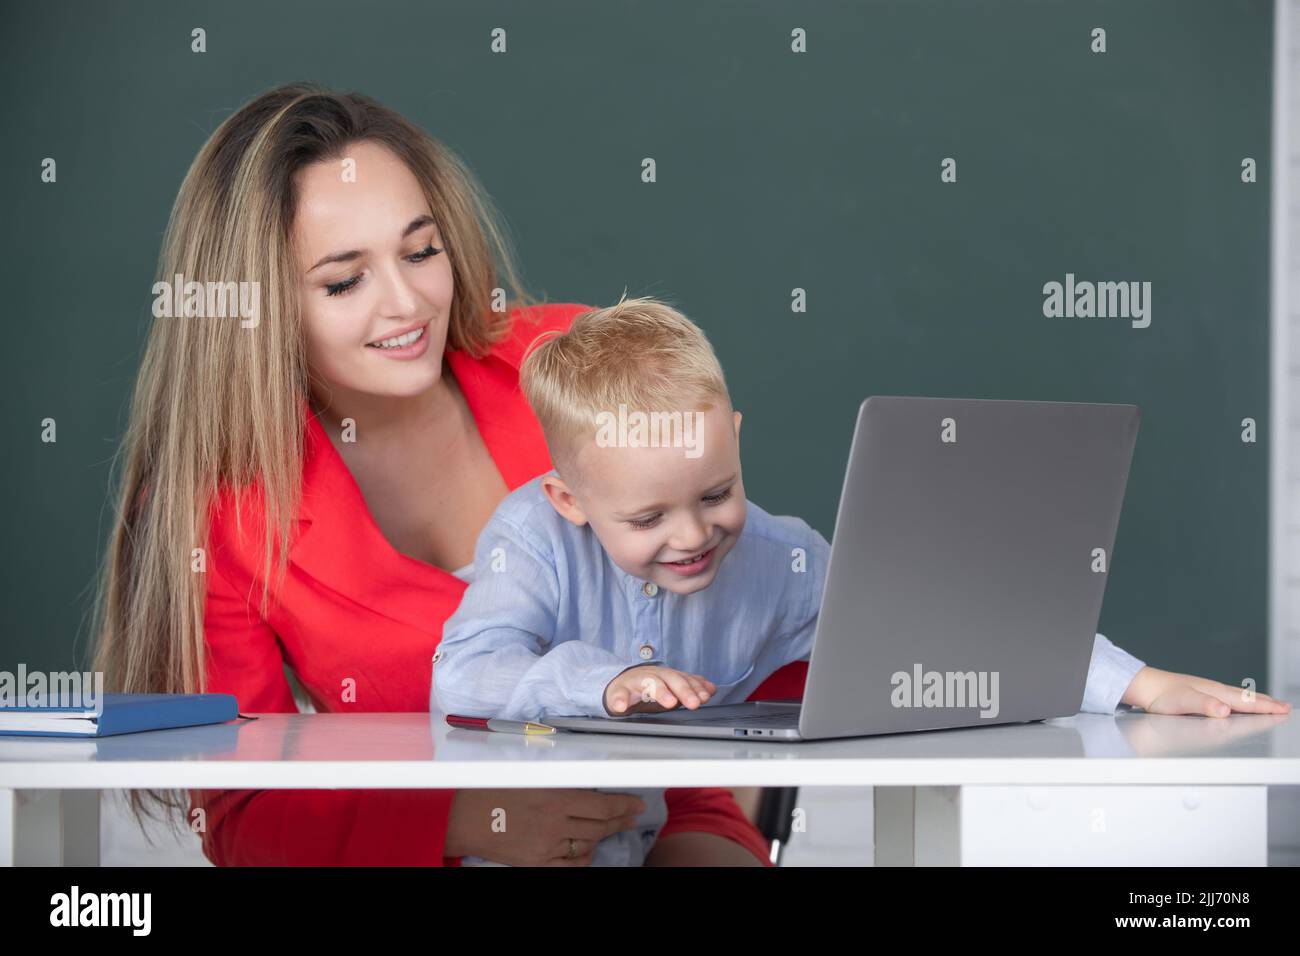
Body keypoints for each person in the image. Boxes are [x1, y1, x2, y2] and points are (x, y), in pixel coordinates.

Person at [93, 82, 785, 866]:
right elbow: (240, 814)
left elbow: (733, 580)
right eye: (344, 281)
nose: (407, 302)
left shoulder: (567, 367)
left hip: (666, 809)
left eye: (421, 251)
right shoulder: (216, 513)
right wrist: (466, 822)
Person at [432, 295, 1293, 867]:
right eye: (647, 520)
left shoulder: (783, 557)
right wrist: (607, 679)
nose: (694, 536)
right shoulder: (531, 536)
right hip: (512, 840)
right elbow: (463, 673)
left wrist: (1135, 683)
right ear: (569, 499)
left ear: (735, 436)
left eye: (716, 493)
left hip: (649, 832)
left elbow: (936, 623)